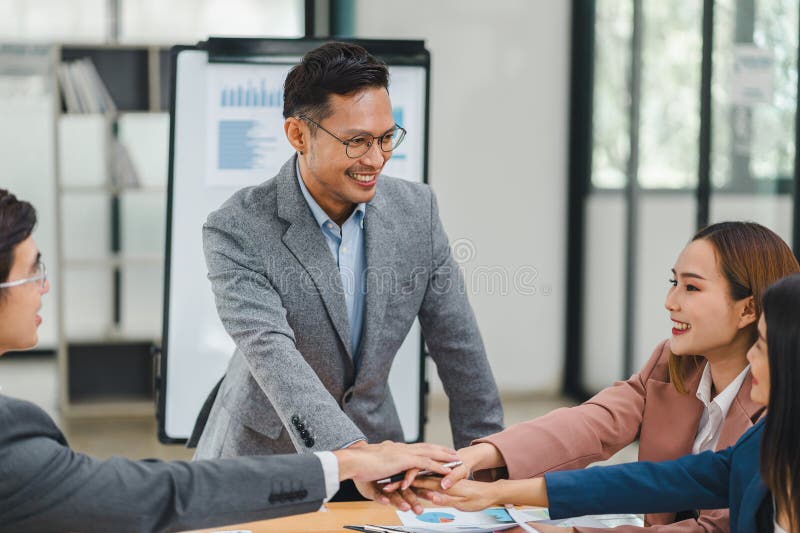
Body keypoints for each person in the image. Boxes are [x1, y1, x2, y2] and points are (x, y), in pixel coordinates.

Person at [0, 188, 460, 532]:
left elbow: (459, 346)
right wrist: (346, 462)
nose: (45, 286)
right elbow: (154, 495)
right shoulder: (11, 436)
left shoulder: (413, 211)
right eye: (32, 270)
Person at [194, 40, 503, 502]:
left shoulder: (416, 211)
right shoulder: (237, 227)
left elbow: (459, 349)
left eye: (385, 138)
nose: (376, 159)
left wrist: (490, 468)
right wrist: (354, 455)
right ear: (299, 135)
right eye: (357, 141)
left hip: (381, 459)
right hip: (267, 461)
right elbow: (272, 353)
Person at [426, 221, 800, 531]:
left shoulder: (771, 423)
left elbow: (715, 527)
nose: (670, 302)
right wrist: (483, 460)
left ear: (748, 309)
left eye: (692, 287)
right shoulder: (674, 364)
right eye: (674, 283)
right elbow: (597, 427)